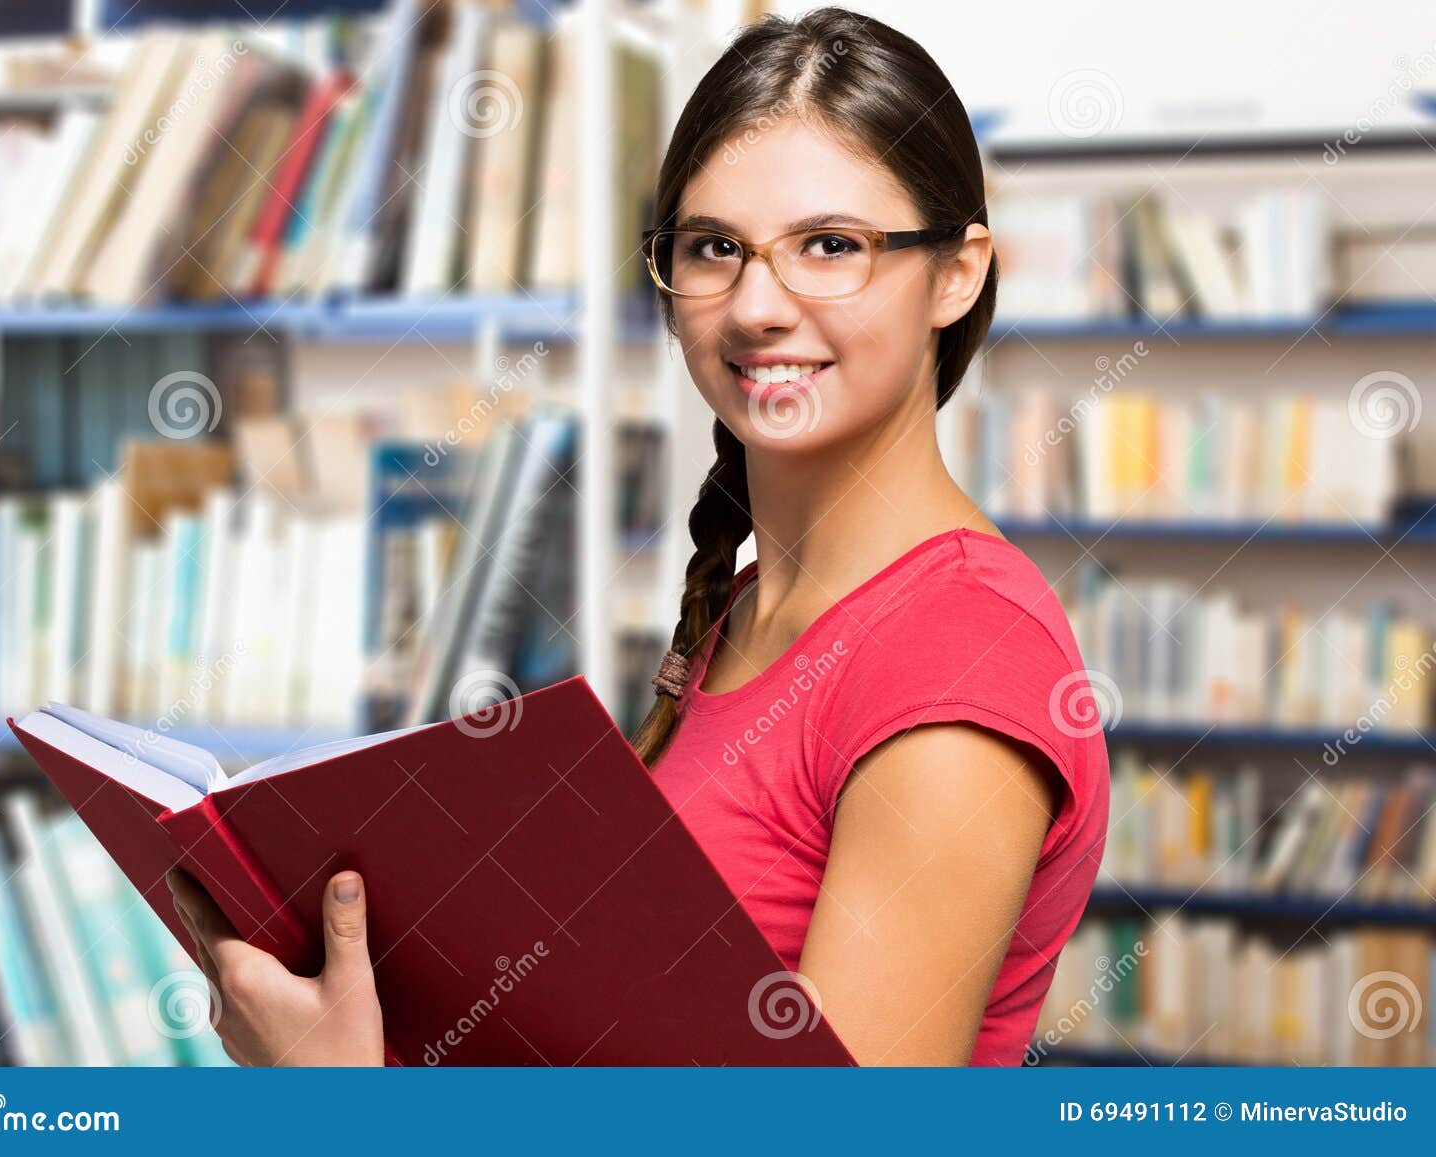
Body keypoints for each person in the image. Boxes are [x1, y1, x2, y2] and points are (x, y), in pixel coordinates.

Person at [168, 5, 1109, 1067]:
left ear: (957, 271)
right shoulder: (749, 605)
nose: (756, 305)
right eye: (714, 248)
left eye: (831, 246)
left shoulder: (953, 660)